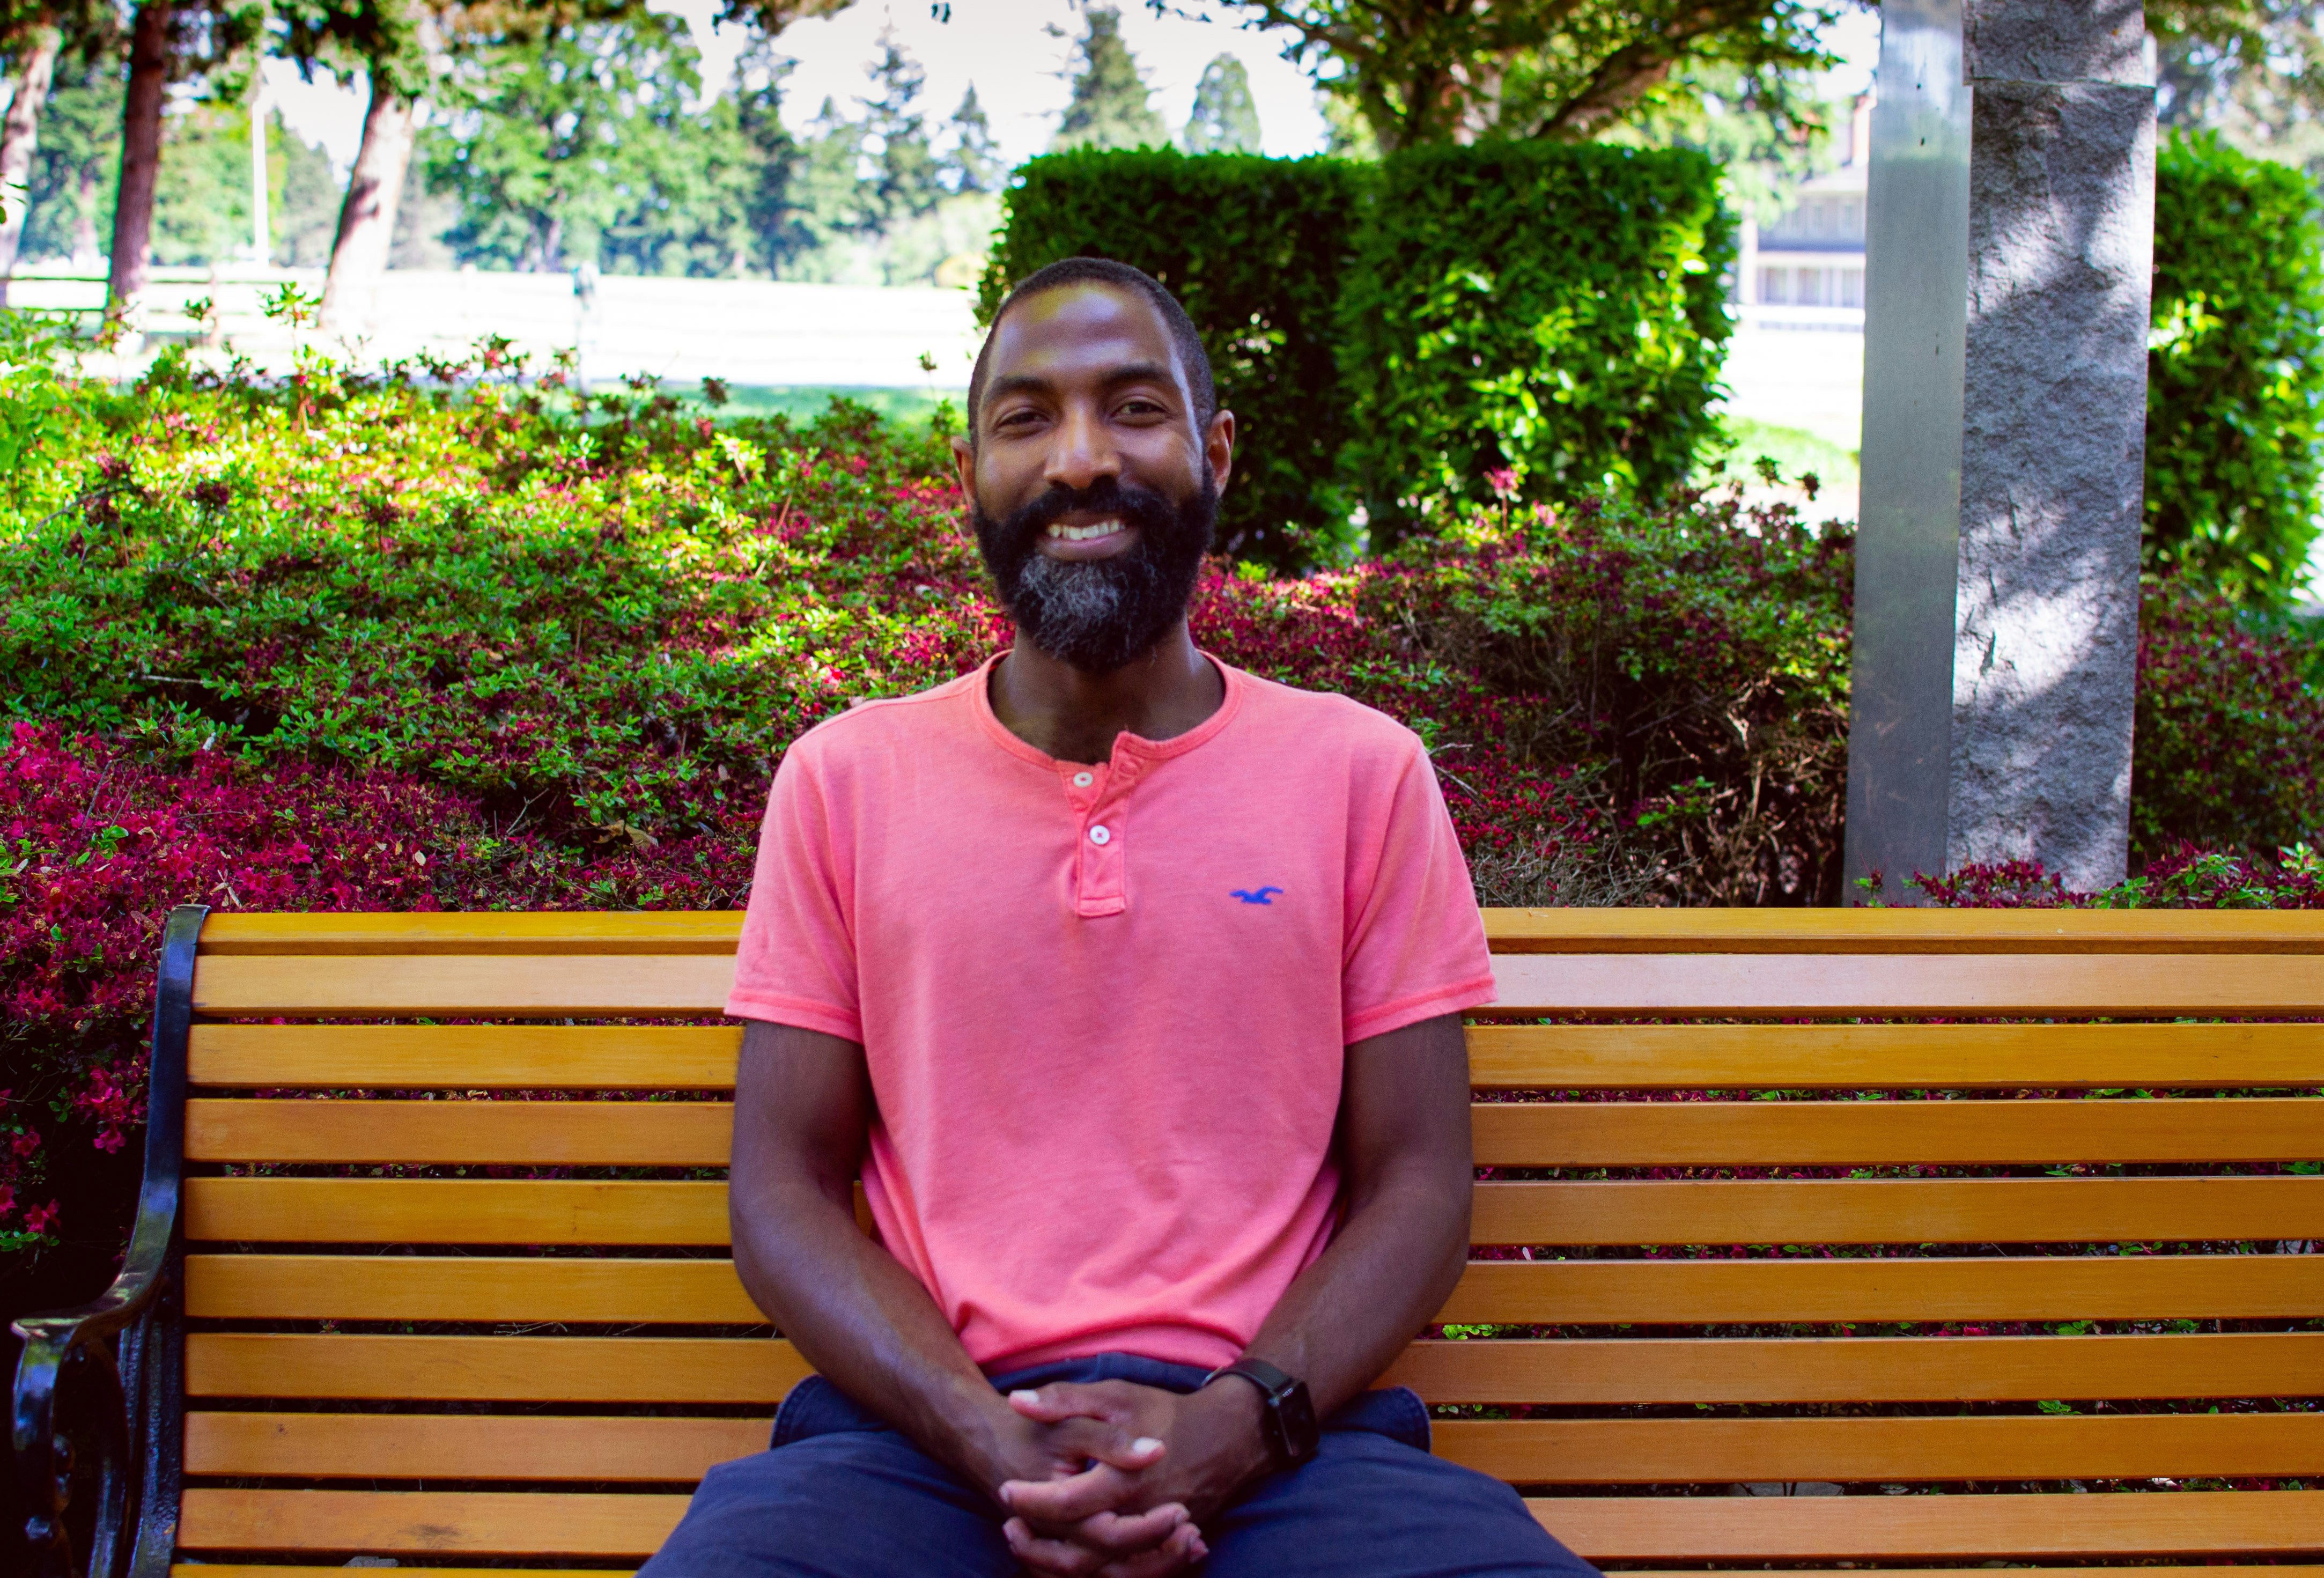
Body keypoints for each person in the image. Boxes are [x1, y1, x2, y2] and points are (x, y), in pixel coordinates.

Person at [640, 257, 1598, 1578]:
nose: (1080, 459)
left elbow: (1421, 1184)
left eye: (1132, 408)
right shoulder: (845, 779)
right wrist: (987, 1438)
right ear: (970, 467)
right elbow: (781, 1188)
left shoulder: (1359, 772)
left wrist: (1226, 1434)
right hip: (919, 1447)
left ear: (1214, 451)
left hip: (1280, 1443)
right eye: (1026, 418)